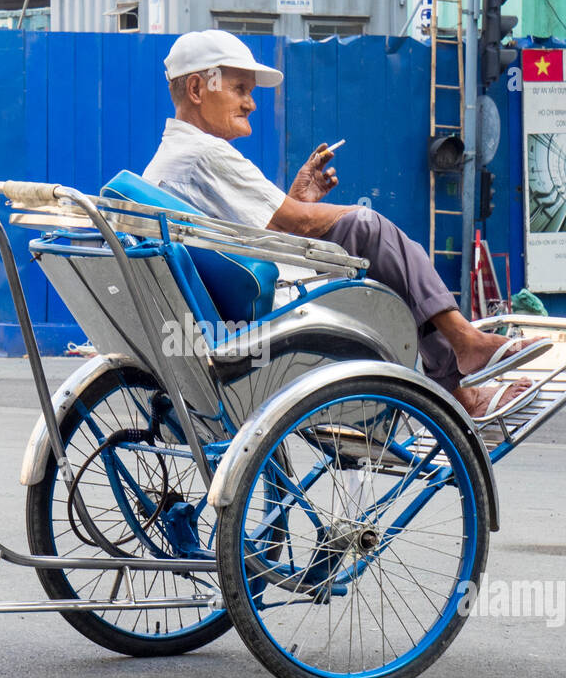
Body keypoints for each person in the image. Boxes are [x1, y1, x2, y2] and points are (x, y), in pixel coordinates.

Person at [142, 29, 536, 418]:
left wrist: (298, 199)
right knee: (368, 228)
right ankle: (461, 354)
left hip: (220, 311)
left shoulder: (169, 160)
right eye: (240, 89)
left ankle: (459, 356)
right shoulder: (205, 154)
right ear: (197, 89)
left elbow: (254, 237)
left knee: (375, 240)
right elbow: (300, 224)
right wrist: (347, 216)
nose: (251, 104)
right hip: (258, 321)